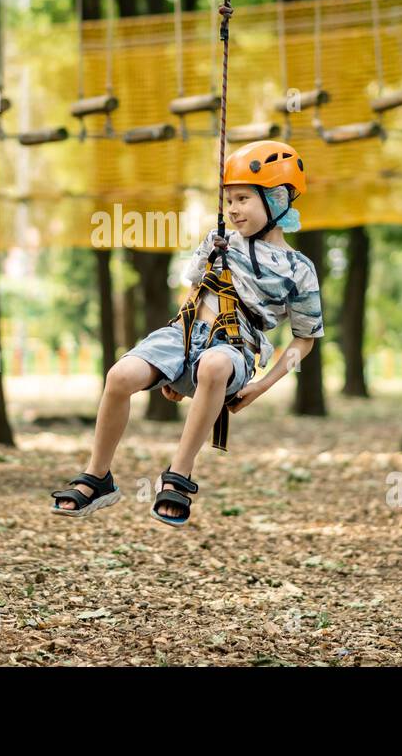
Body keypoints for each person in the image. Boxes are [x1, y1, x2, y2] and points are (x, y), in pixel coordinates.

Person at [50, 140, 324, 526]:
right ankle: (98, 477)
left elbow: (305, 337)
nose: (232, 208)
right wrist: (176, 364)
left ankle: (178, 476)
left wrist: (261, 386)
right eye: (228, 199)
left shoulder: (299, 269)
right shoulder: (220, 242)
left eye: (243, 198)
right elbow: (193, 285)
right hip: (184, 332)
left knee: (213, 364)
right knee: (120, 375)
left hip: (234, 347)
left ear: (278, 198)